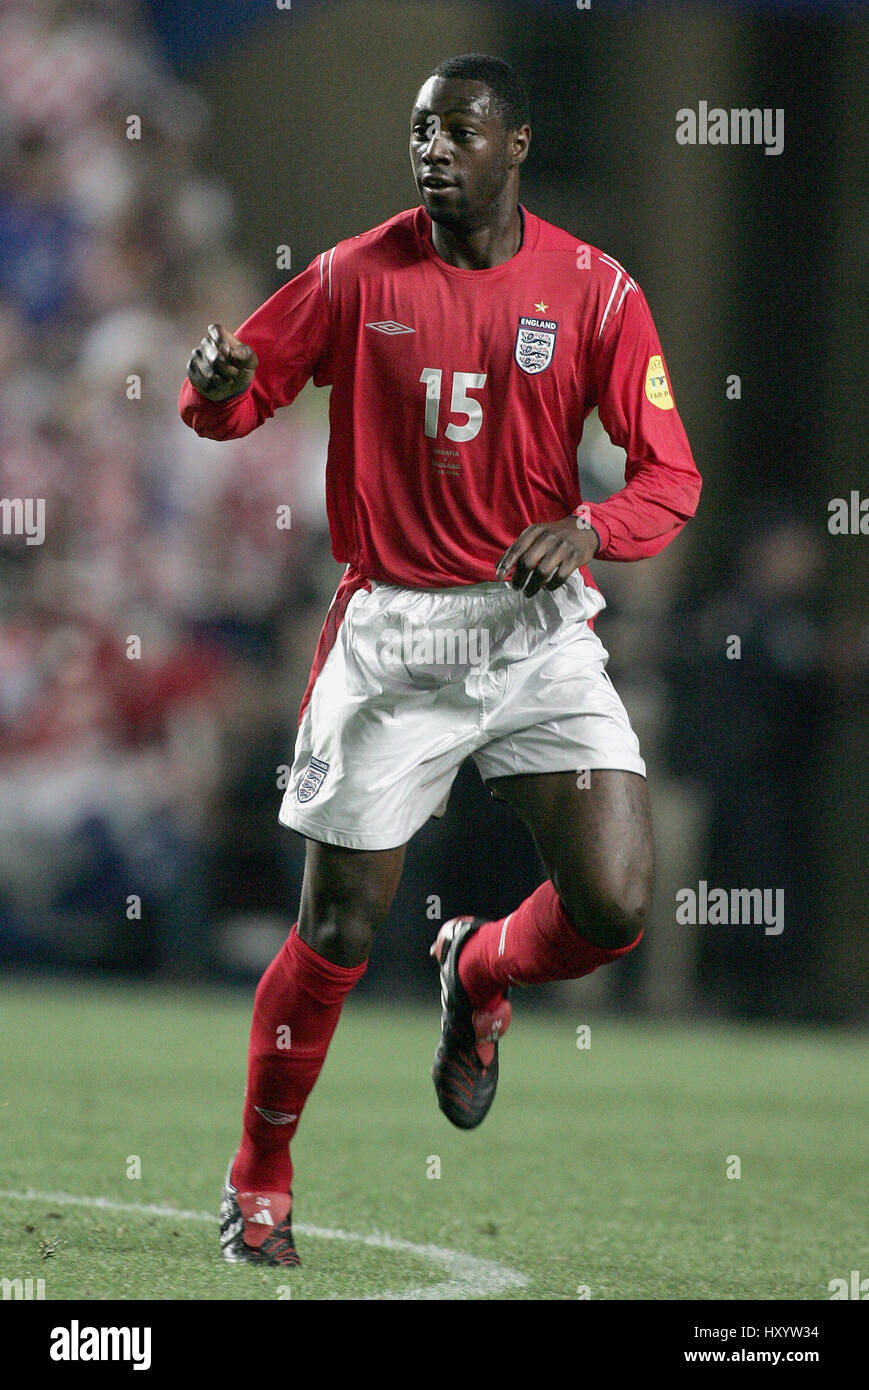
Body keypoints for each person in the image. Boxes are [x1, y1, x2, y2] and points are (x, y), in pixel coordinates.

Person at [179, 53, 701, 1268]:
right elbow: (238, 401)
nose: (431, 150)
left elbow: (670, 475)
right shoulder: (352, 275)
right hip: (392, 631)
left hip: (531, 627)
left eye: (458, 131)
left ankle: (480, 963)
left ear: (513, 146)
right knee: (342, 929)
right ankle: (260, 1174)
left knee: (617, 900)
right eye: (420, 131)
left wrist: (592, 527)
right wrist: (212, 391)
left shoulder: (594, 291)